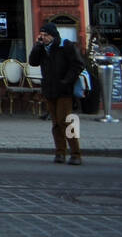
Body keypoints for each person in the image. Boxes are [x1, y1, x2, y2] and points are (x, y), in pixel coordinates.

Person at [29, 21, 85, 165]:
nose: (43, 37)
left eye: (46, 35)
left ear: (53, 36)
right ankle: (60, 152)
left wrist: (67, 81)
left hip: (64, 90)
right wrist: (37, 46)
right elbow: (33, 62)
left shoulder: (65, 46)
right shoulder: (42, 49)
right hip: (49, 89)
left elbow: (78, 64)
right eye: (41, 35)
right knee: (55, 123)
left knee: (65, 121)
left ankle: (75, 153)